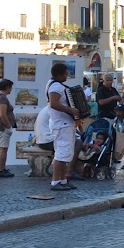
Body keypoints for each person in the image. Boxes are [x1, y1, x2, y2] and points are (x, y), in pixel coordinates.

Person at [42, 62, 81, 192]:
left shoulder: (53, 84)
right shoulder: (56, 87)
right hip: (61, 124)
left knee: (66, 154)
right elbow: (53, 103)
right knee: (61, 154)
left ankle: (63, 180)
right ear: (59, 74)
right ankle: (55, 181)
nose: (66, 76)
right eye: (65, 73)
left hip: (63, 124)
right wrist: (71, 110)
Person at [0, 79, 16, 177]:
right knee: (3, 149)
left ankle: (2, 168)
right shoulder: (2, 98)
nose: (11, 89)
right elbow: (3, 114)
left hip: (1, 126)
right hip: (2, 127)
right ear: (7, 87)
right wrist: (9, 126)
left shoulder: (0, 97)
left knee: (3, 148)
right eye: (11, 87)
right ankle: (0, 170)